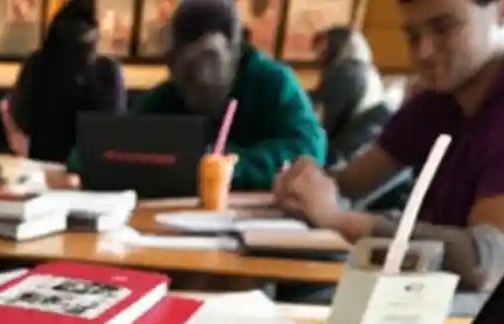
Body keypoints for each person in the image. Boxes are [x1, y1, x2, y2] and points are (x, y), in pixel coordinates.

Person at [274, 0, 504, 291]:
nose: (423, 53)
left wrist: (339, 219)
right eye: (412, 35)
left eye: (444, 28)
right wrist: (305, 184)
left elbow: (489, 262)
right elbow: (350, 183)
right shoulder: (437, 99)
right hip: (436, 295)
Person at [69, 0, 326, 191]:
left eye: (211, 62)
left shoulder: (272, 82)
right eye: (189, 70)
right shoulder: (169, 96)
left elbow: (308, 150)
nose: (202, 81)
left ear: (236, 55)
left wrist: (223, 167)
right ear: (172, 64)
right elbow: (97, 151)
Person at [7, 0, 126, 164]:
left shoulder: (37, 63)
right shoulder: (107, 69)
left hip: (43, 165)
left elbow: (21, 116)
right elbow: (115, 127)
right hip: (92, 167)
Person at [311, 27, 392, 168]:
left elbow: (326, 123)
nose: (319, 57)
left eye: (324, 51)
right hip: (361, 154)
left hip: (340, 156)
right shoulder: (369, 72)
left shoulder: (345, 73)